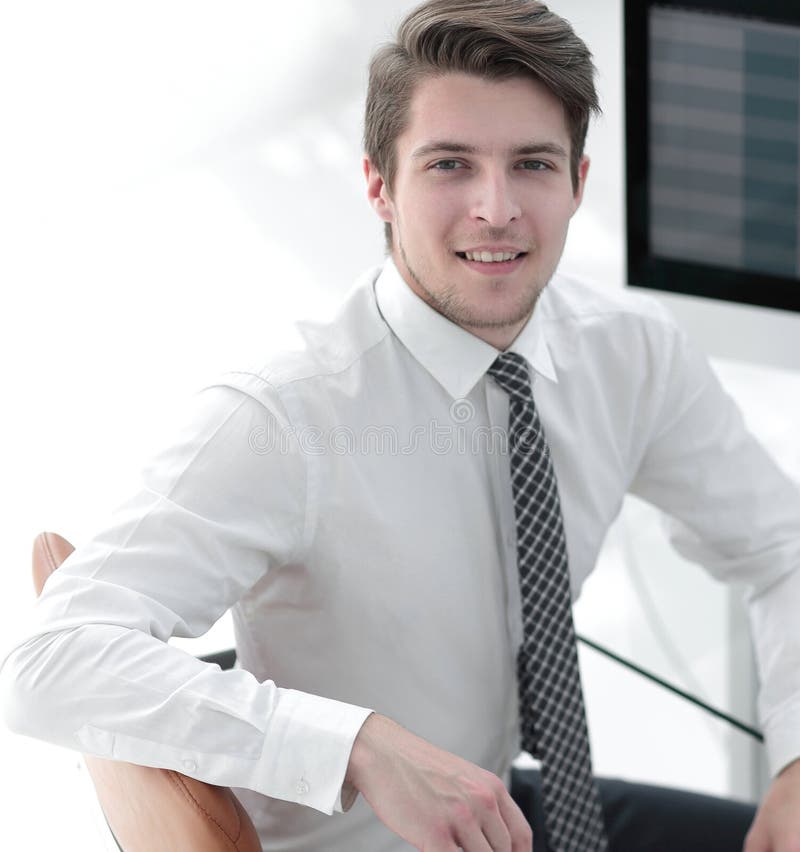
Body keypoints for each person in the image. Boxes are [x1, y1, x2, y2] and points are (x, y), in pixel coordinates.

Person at [3, 0, 800, 849]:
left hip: (506, 808)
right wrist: (357, 746)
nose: (496, 210)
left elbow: (780, 545)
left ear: (578, 182)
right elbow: (46, 667)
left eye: (532, 164)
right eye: (450, 164)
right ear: (379, 185)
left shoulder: (632, 355)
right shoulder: (284, 415)